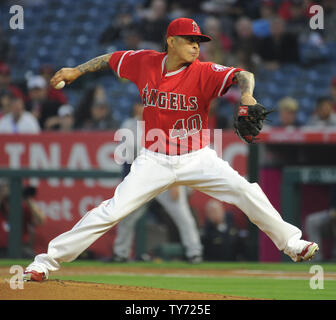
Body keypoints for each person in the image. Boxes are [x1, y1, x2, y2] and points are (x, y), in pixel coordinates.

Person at [24, 17, 319, 282]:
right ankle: (44, 263)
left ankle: (292, 243)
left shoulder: (204, 72)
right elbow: (110, 59)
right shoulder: (144, 62)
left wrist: (248, 96)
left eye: (199, 41)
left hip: (197, 157)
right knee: (111, 211)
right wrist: (77, 70)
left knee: (245, 191)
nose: (196, 46)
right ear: (171, 41)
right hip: (154, 160)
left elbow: (243, 74)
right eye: (190, 40)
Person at [111, 102, 203, 263]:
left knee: (183, 215)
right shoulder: (129, 125)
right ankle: (121, 253)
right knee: (127, 216)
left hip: (165, 177)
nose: (142, 108)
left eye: (146, 105)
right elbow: (127, 159)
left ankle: (194, 252)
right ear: (135, 108)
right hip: (142, 180)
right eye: (139, 105)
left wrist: (176, 183)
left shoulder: (164, 121)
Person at [0, 184, 45, 258]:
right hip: (1, 249)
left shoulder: (22, 208)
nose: (9, 204)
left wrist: (28, 199)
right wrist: (2, 195)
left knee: (34, 259)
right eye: (7, 200)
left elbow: (40, 221)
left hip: (21, 249)